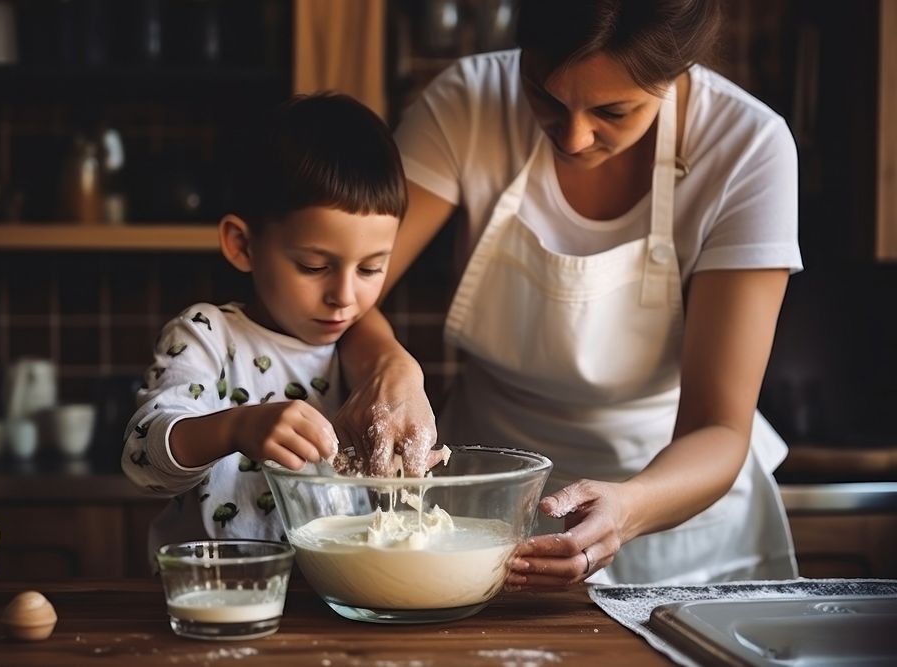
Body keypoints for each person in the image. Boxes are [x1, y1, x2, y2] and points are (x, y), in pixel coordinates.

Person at [332, 0, 802, 586]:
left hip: (682, 518)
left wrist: (628, 510)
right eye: (545, 97)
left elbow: (720, 429)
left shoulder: (747, 148)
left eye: (612, 111)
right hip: (486, 502)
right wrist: (385, 363)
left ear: (675, 73)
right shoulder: (468, 103)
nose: (574, 137)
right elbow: (342, 286)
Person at [121, 92, 407, 557]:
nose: (345, 296)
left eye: (371, 269)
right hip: (212, 597)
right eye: (315, 266)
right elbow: (142, 459)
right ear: (242, 245)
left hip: (332, 603)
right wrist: (236, 428)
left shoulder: (358, 349)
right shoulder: (205, 336)